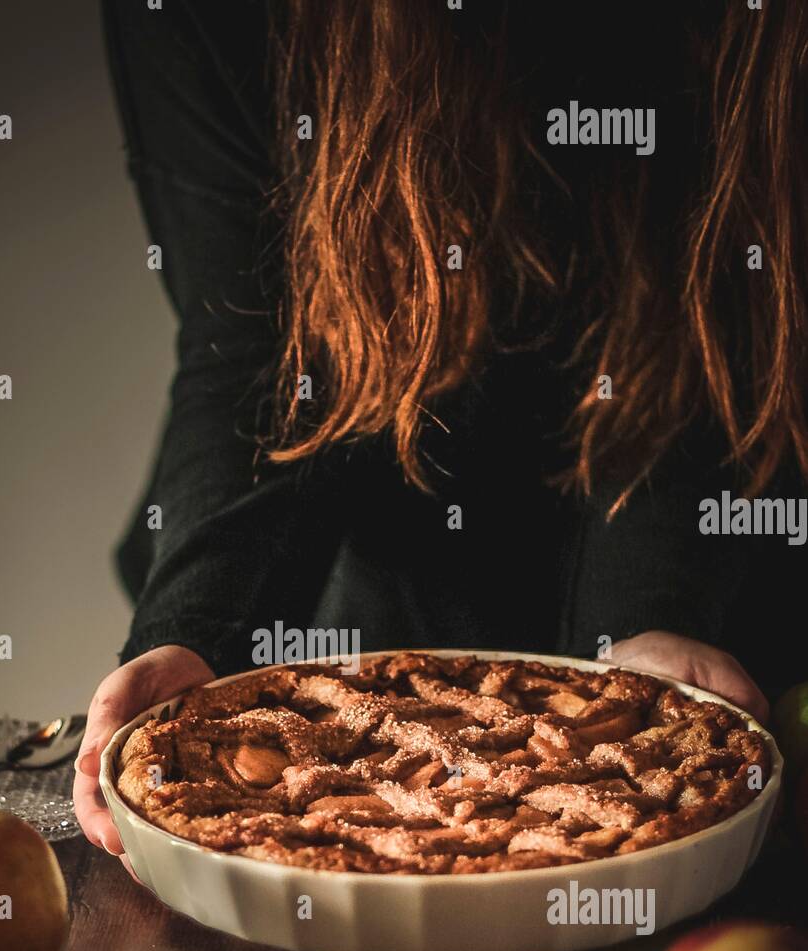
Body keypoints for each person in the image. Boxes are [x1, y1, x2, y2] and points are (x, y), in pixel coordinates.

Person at [75, 0, 807, 866]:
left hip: (704, 531)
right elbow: (258, 341)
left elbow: (731, 303)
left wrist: (652, 616)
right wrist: (195, 625)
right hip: (355, 633)